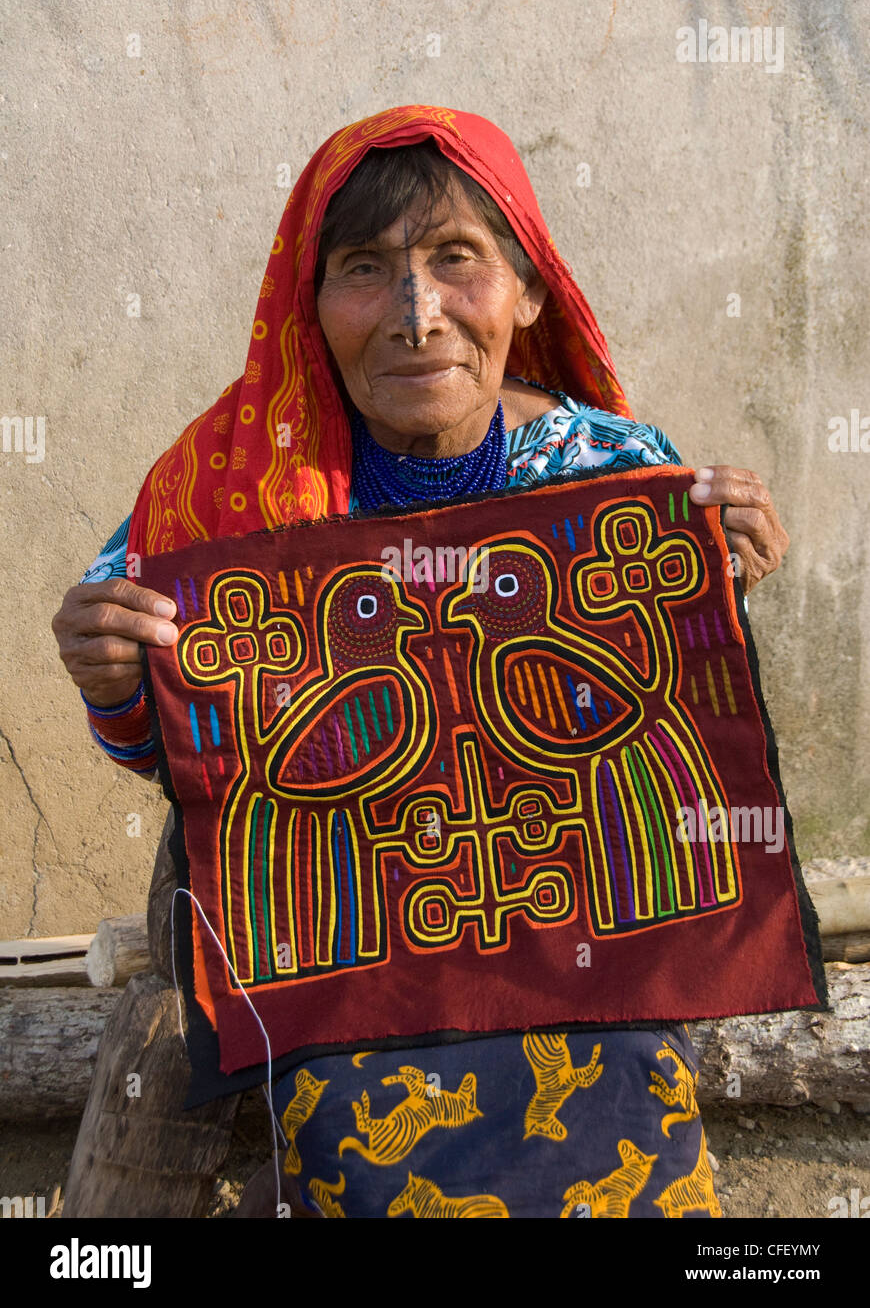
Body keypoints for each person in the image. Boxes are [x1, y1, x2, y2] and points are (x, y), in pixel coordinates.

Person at [52, 105, 789, 1218]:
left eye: (458, 261)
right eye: (364, 269)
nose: (416, 315)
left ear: (529, 290)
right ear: (312, 306)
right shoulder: (223, 496)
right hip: (336, 901)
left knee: (628, 1071)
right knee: (355, 1100)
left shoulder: (606, 471)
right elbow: (181, 763)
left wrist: (720, 598)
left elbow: (665, 737)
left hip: (556, 884)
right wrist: (115, 689)